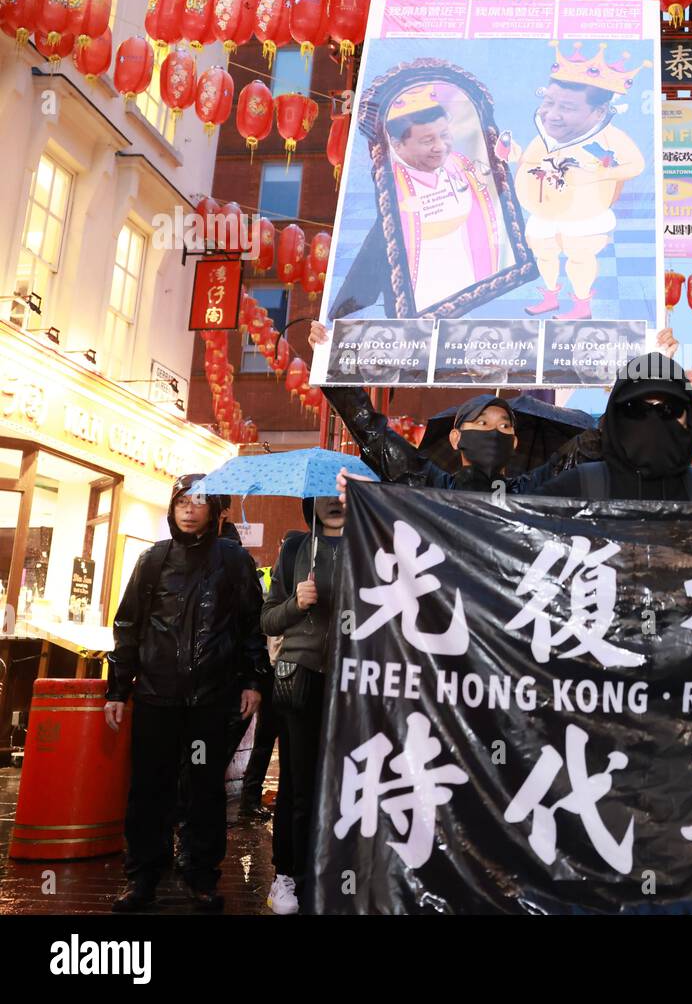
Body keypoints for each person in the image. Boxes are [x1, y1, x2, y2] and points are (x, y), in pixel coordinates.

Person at [105, 474, 268, 914]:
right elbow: (128, 627)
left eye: (200, 501)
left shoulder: (233, 561)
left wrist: (254, 679)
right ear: (173, 508)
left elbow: (251, 624)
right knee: (149, 789)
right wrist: (118, 689)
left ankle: (200, 874)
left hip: (209, 702)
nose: (190, 509)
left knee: (203, 788)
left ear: (215, 510)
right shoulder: (153, 560)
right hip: (157, 698)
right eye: (183, 502)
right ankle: (143, 877)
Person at [308, 319, 590, 495]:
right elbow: (372, 432)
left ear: (514, 441)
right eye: (481, 423)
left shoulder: (534, 490)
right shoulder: (430, 487)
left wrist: (631, 368)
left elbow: (592, 445)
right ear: (456, 437)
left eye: (504, 425)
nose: (494, 431)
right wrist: (330, 362)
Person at [499, 44, 649, 321]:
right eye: (548, 102)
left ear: (599, 112)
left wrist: (597, 174)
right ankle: (550, 296)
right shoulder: (546, 135)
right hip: (543, 213)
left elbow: (636, 165)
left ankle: (581, 304)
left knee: (578, 258)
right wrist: (511, 153)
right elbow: (528, 161)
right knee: (544, 254)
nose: (552, 114)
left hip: (583, 216)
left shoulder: (607, 137)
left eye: (566, 107)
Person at [328, 88, 508, 318]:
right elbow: (372, 258)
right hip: (421, 294)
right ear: (396, 144)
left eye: (444, 135)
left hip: (469, 276)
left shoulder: (460, 164)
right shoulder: (392, 187)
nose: (440, 146)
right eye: (427, 140)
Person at [260, 496, 347, 916]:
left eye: (342, 492)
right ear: (311, 502)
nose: (334, 501)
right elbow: (267, 620)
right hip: (299, 678)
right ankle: (287, 875)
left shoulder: (370, 546)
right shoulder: (295, 548)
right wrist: (296, 603)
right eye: (324, 493)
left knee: (343, 782)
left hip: (352, 681)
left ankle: (330, 872)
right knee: (298, 785)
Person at [536, 351, 692, 501]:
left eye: (669, 409)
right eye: (636, 408)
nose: (654, 421)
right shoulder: (569, 492)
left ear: (690, 419)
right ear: (615, 417)